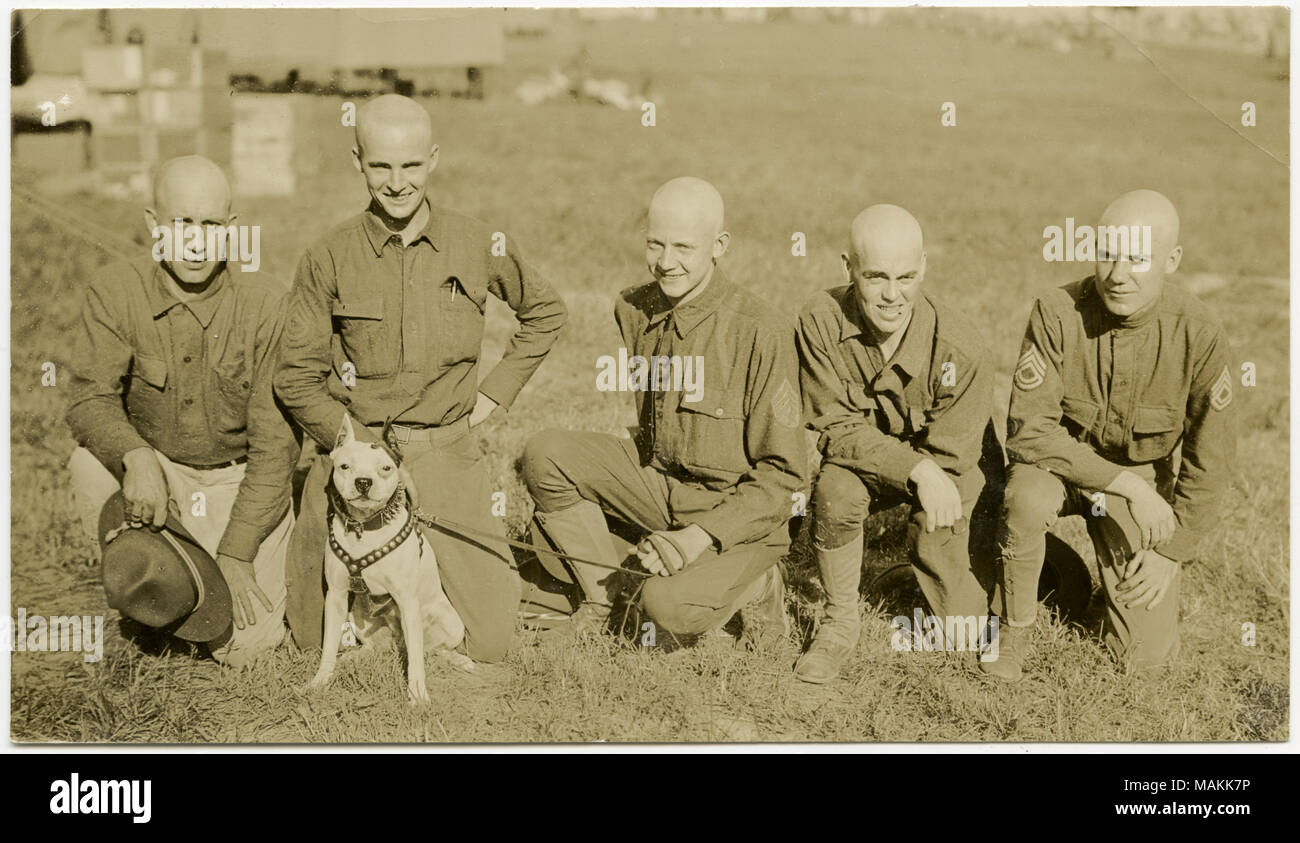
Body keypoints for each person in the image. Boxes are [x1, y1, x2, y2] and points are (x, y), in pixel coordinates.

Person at [274, 94, 567, 662]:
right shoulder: (326, 255)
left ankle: (467, 582)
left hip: (444, 450)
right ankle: (394, 604)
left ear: (433, 159)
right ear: (357, 161)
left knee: (493, 641)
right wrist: (348, 443)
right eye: (381, 165)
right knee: (312, 636)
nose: (397, 182)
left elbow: (546, 312)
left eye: (410, 165)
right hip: (359, 455)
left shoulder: (480, 241)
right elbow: (295, 377)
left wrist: (492, 395)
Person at [521, 177, 808, 649]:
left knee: (663, 608)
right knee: (546, 454)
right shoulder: (634, 308)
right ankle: (600, 598)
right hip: (661, 488)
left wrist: (698, 537)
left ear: (720, 246)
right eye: (655, 244)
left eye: (683, 247)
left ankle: (759, 585)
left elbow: (784, 478)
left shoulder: (762, 333)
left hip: (737, 513)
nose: (666, 262)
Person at [984, 189, 1236, 681]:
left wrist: (1170, 550)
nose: (1118, 274)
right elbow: (1029, 434)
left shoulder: (1199, 332)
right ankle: (1013, 625)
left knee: (1144, 660)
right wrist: (1131, 486)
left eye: (1138, 258)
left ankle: (1055, 568)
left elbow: (1212, 459)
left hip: (1135, 487)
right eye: (1107, 253)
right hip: (1057, 469)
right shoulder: (1057, 311)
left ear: (1172, 259)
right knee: (1026, 501)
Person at [65, 155, 297, 667]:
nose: (195, 241)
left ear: (232, 231)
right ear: (153, 224)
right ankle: (153, 576)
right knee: (87, 462)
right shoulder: (114, 290)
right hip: (161, 478)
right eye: (181, 222)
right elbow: (88, 397)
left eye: (211, 224)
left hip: (241, 485)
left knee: (246, 650)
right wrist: (136, 456)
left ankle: (195, 574)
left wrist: (237, 549)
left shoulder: (267, 304)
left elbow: (275, 447)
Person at [793, 204, 997, 684]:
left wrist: (926, 475)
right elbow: (835, 425)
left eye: (906, 277)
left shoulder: (961, 348)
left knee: (963, 633)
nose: (892, 295)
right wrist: (914, 470)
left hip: (948, 465)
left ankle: (958, 579)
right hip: (868, 460)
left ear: (924, 266)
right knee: (835, 493)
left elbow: (951, 463)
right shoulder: (819, 321)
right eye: (876, 276)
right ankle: (840, 621)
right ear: (848, 269)